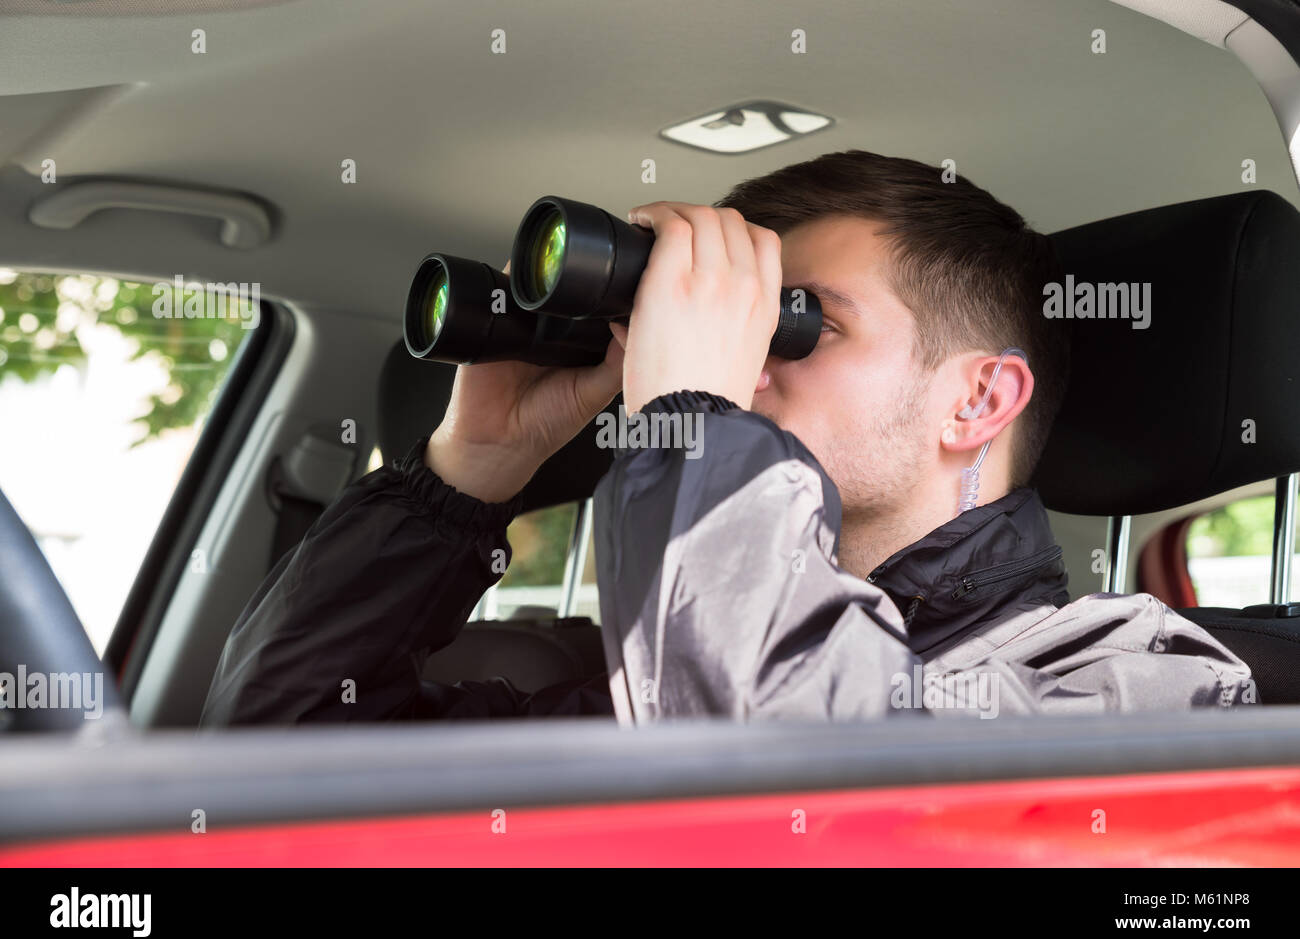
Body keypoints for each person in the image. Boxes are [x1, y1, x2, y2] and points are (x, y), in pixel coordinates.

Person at [199, 149, 1254, 727]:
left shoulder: (1140, 689)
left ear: (976, 402)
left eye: (801, 323)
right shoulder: (639, 681)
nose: (744, 365)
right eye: (738, 323)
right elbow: (277, 756)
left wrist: (690, 421)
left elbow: (802, 802)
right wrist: (468, 481)